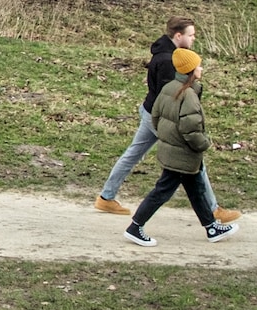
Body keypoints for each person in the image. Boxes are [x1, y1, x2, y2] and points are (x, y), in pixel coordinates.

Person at [98, 18, 237, 223]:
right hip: (161, 117)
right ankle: (213, 209)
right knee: (192, 158)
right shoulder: (167, 60)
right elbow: (172, 95)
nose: (194, 38)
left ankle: (106, 197)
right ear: (178, 36)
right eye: (191, 35)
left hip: (152, 112)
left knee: (133, 153)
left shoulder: (168, 54)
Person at [121, 49, 238, 247]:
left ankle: (211, 227)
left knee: (196, 189)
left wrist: (168, 138)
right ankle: (135, 227)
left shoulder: (169, 88)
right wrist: (204, 144)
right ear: (191, 70)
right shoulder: (188, 95)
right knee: (162, 191)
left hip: (173, 150)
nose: (201, 68)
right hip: (182, 153)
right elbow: (191, 129)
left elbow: (155, 117)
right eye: (198, 65)